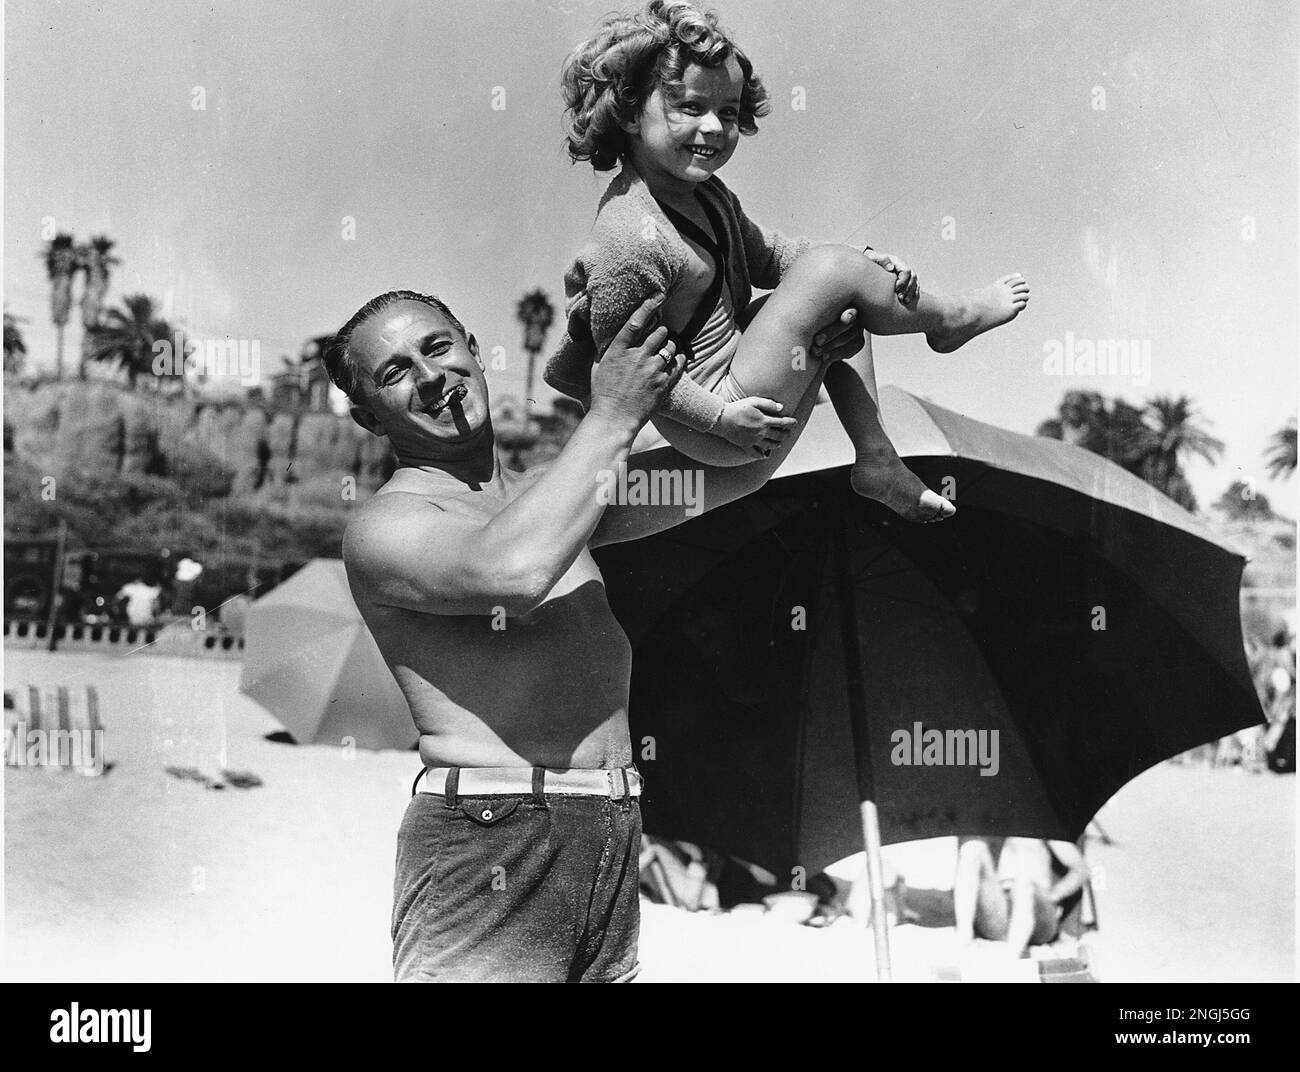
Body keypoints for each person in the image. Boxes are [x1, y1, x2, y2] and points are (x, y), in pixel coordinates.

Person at [326, 287, 863, 981]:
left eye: (437, 347)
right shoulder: (383, 527)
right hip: (491, 836)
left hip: (607, 826)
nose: (431, 378)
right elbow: (515, 570)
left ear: (469, 347)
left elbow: (740, 465)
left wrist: (810, 352)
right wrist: (612, 412)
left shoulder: (554, 496)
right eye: (395, 373)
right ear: (370, 414)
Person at [546, 0, 1030, 522]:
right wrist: (718, 420)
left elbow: (771, 257)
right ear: (629, 110)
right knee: (832, 277)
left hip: (739, 396)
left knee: (843, 302)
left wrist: (867, 267)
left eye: (728, 112)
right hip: (717, 414)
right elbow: (625, 372)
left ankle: (876, 457)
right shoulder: (626, 236)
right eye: (690, 107)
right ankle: (949, 319)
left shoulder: (709, 195)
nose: (713, 127)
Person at [953, 836, 1089, 958]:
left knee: (1023, 881)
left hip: (1038, 914)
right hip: (1001, 913)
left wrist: (1054, 894)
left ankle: (1012, 959)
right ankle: (964, 939)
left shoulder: (1043, 826)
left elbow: (1081, 870)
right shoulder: (996, 823)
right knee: (972, 849)